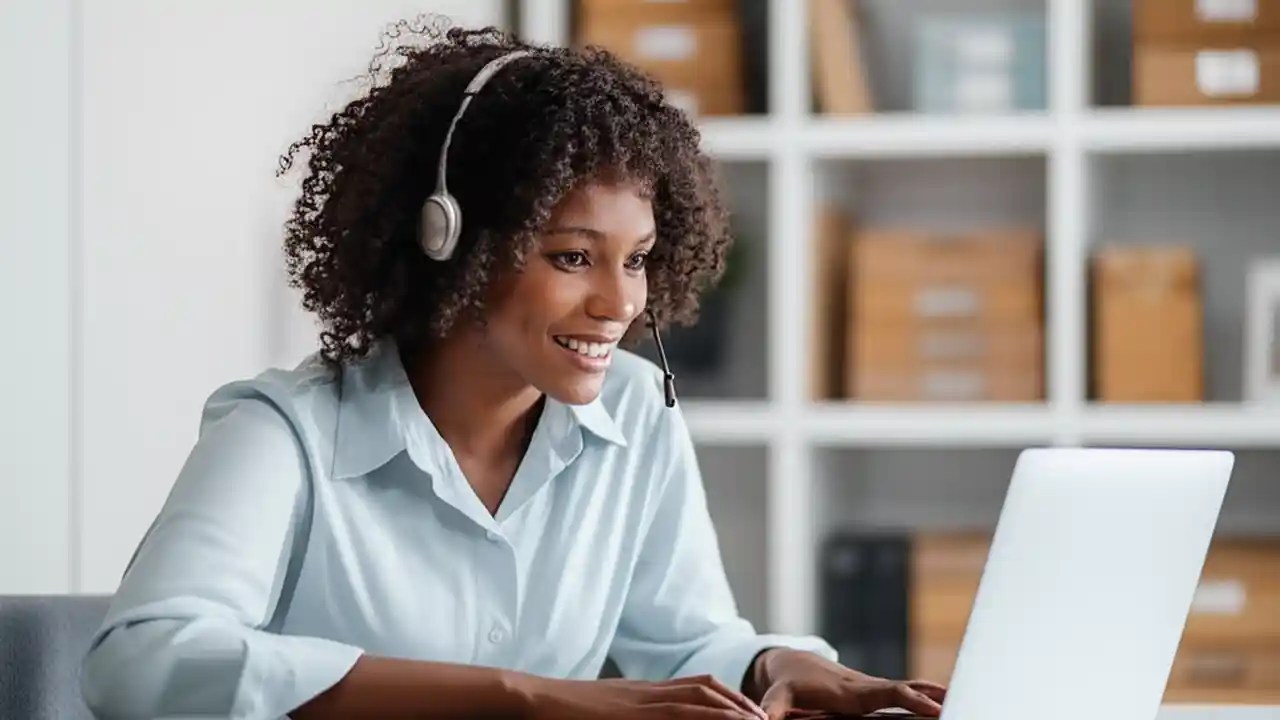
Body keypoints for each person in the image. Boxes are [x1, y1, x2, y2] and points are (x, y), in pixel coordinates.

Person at [79, 21, 947, 720]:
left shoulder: (634, 413)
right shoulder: (286, 433)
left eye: (637, 259)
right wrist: (525, 698)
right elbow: (142, 662)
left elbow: (684, 643)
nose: (620, 303)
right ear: (449, 243)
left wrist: (776, 665)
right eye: (573, 258)